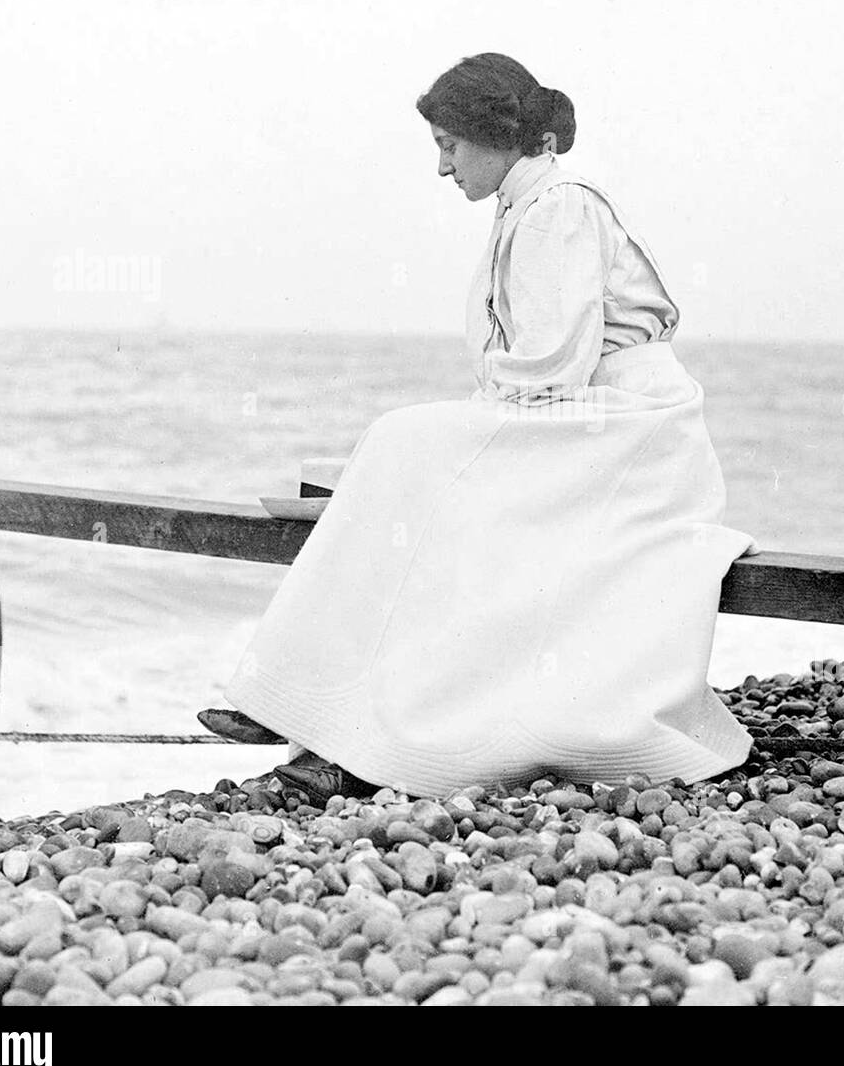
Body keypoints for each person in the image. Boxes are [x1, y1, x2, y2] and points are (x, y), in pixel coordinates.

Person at [199, 52, 762, 801]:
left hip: (629, 425)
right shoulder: (529, 202)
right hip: (591, 415)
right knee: (408, 465)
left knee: (406, 444)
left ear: (493, 135)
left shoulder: (560, 204)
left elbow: (553, 364)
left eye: (449, 146)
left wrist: (466, 430)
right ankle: (312, 704)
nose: (442, 168)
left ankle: (319, 706)